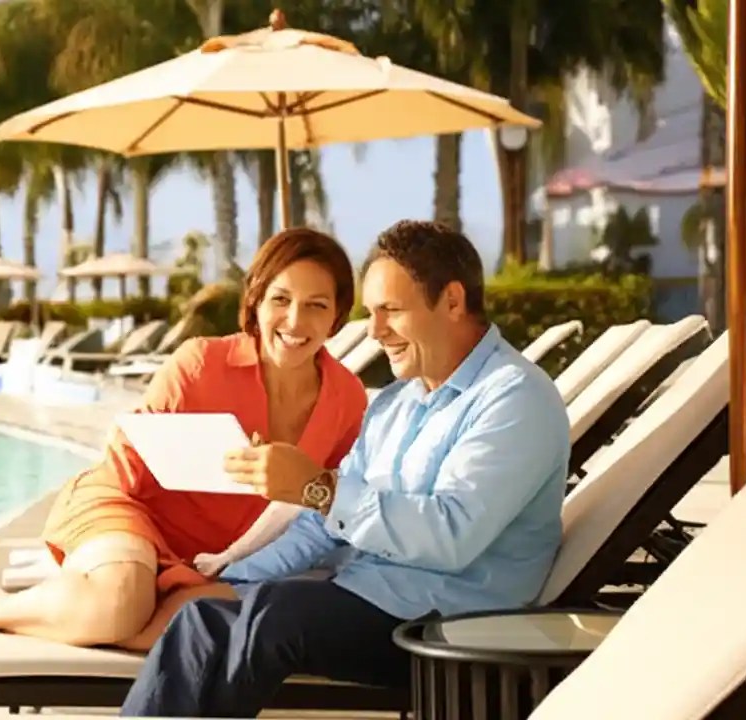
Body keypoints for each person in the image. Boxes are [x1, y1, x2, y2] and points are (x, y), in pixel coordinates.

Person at [119, 220, 571, 718]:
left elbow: (451, 534)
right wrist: (229, 576)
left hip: (449, 626)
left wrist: (319, 488)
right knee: (202, 616)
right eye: (372, 313)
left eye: (391, 312)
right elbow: (319, 526)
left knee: (273, 620)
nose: (375, 332)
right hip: (367, 597)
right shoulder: (397, 403)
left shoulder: (514, 399)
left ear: (453, 300)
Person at [0, 227, 369, 650]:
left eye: (316, 306)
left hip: (210, 560)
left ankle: (96, 604)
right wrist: (162, 443)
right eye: (280, 300)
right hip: (129, 507)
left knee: (209, 622)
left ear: (338, 316)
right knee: (120, 605)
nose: (294, 321)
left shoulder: (347, 398)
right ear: (257, 301)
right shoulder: (200, 362)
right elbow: (125, 469)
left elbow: (331, 502)